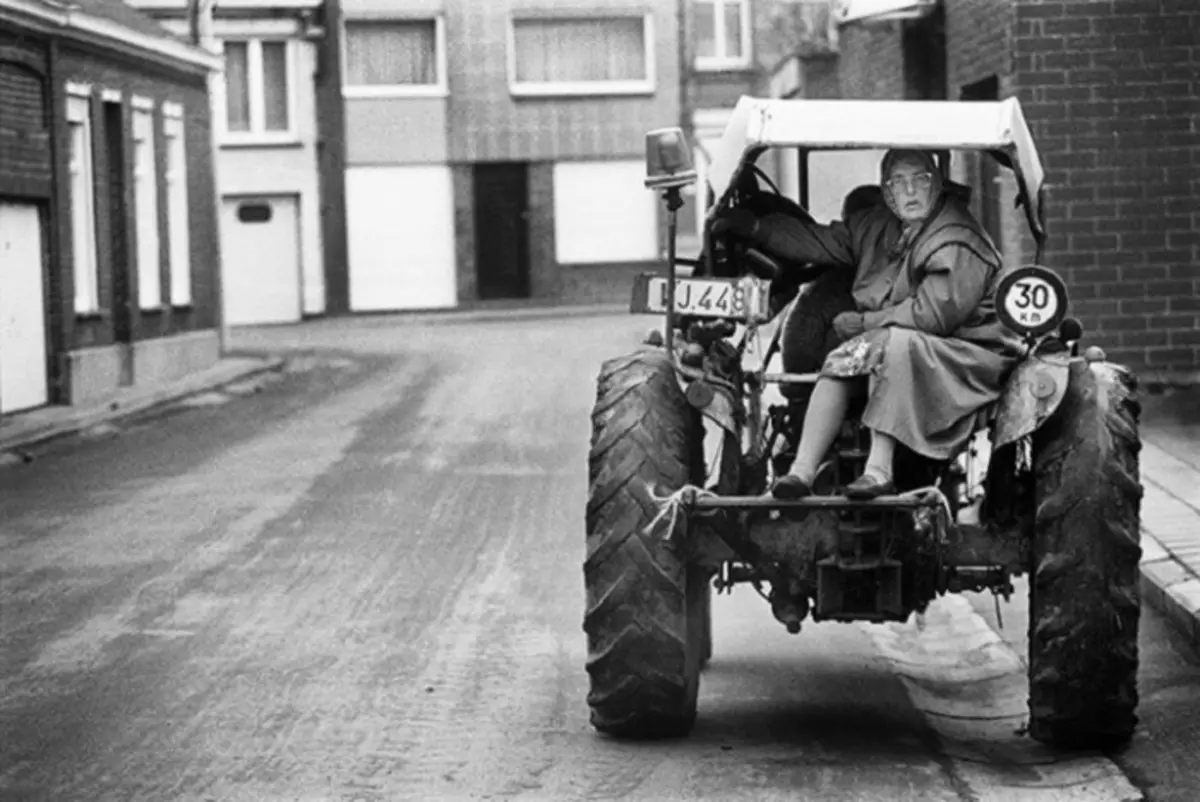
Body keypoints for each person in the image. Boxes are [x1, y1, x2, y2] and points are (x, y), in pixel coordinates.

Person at [713, 149, 1023, 500]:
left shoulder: (957, 238)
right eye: (899, 183)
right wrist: (756, 228)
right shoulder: (879, 225)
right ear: (886, 192)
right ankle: (801, 473)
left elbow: (931, 317)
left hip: (966, 356)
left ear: (936, 184)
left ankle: (878, 470)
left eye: (920, 180)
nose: (910, 191)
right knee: (844, 360)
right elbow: (820, 241)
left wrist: (863, 322)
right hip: (909, 348)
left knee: (888, 345)